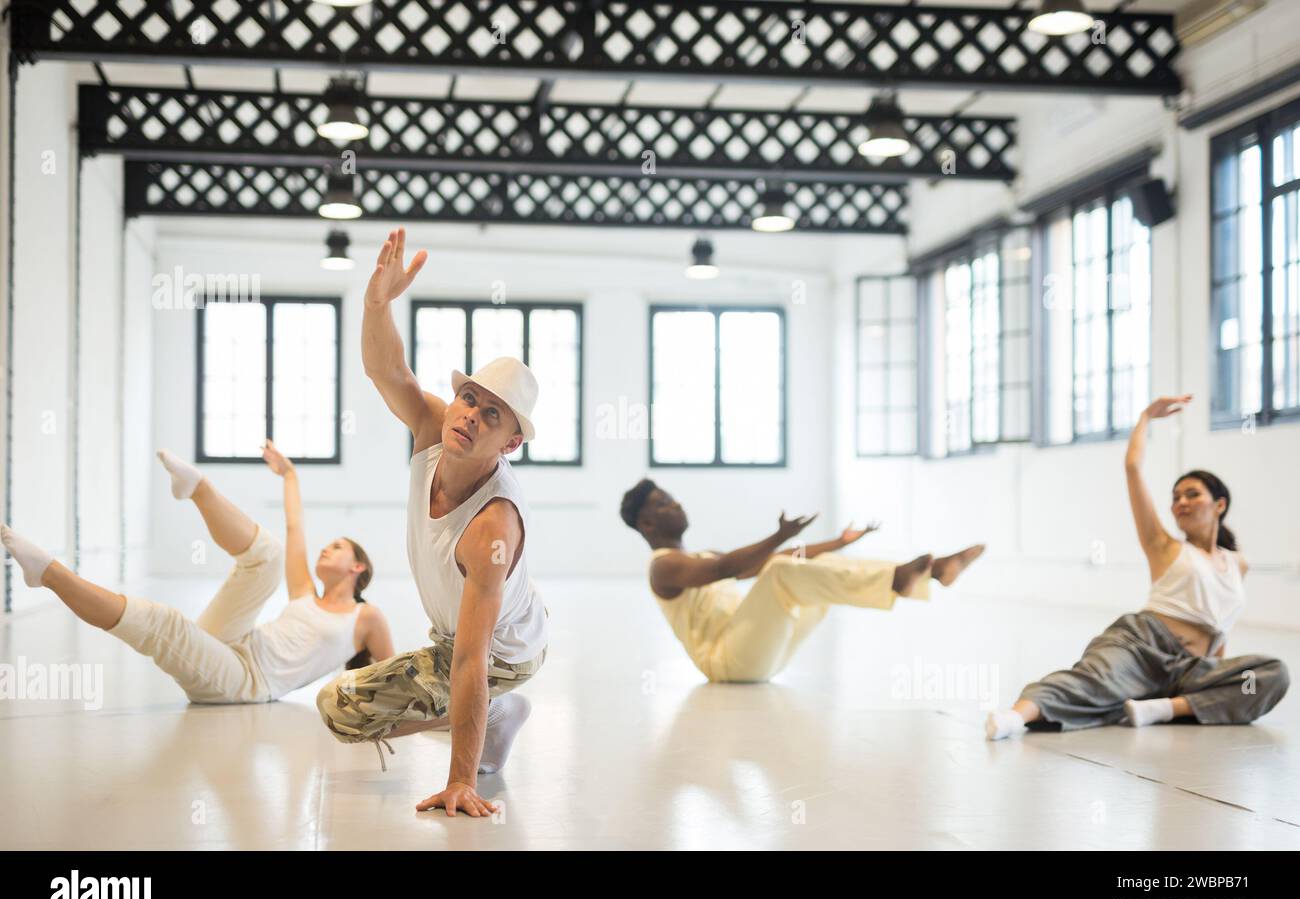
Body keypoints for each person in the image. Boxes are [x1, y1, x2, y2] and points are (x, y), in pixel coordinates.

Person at [315, 228, 548, 819]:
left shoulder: (492, 528)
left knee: (342, 705)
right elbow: (386, 369)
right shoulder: (433, 429)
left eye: (490, 414)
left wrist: (461, 781)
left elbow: (472, 658)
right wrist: (376, 304)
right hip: (464, 637)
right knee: (345, 706)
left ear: (511, 441)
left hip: (503, 652)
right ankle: (494, 712)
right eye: (469, 398)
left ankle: (497, 708)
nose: (470, 415)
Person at [985, 395, 1290, 740]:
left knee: (1270, 675)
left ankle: (1159, 708)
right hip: (1142, 645)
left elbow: (1221, 625)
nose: (1181, 503)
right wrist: (1145, 417)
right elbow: (1133, 469)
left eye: (1192, 494)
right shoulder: (1163, 545)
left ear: (1219, 504)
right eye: (1176, 498)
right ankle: (1014, 718)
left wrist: (1216, 672)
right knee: (1090, 682)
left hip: (1189, 668)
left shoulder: (1238, 563)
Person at [0, 441, 393, 704]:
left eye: (338, 547)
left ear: (357, 567)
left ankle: (47, 573)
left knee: (164, 622)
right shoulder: (306, 593)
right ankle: (197, 487)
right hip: (235, 642)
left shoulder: (366, 617)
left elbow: (394, 674)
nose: (327, 547)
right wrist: (290, 475)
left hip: (247, 681)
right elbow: (295, 528)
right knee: (268, 555)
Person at [619, 479, 986, 682]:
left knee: (804, 569)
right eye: (664, 504)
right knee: (782, 573)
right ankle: (908, 576)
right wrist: (777, 537)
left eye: (674, 498)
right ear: (647, 524)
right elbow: (726, 569)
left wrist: (838, 543)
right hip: (728, 664)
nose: (677, 504)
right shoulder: (663, 567)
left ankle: (914, 575)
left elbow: (771, 560)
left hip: (762, 655)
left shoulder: (702, 555)